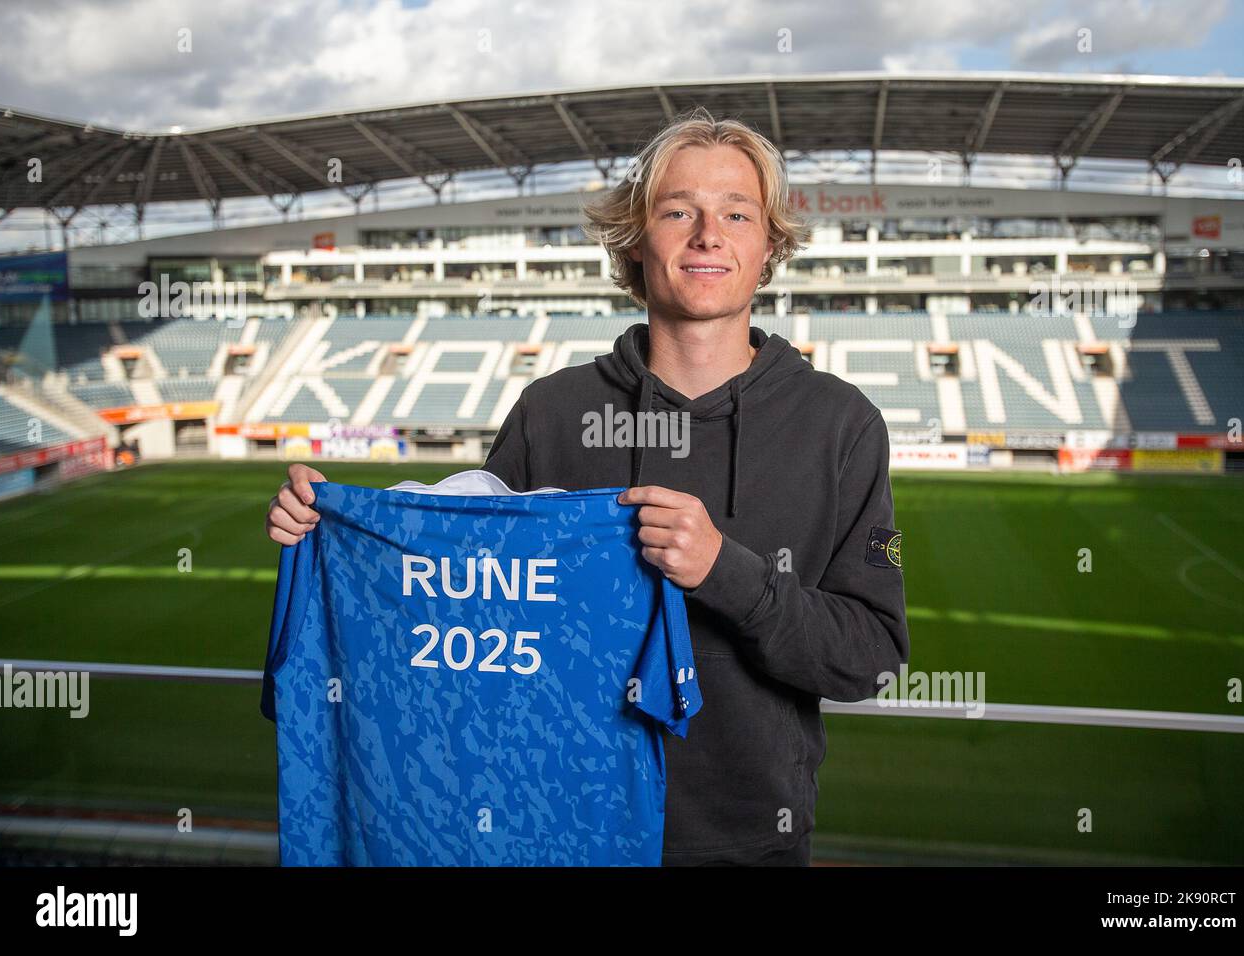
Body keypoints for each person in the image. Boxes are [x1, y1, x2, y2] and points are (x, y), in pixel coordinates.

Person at [265, 106, 910, 866]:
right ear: (635, 239)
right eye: (679, 211)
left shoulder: (842, 424)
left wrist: (727, 574)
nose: (709, 235)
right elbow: (455, 587)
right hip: (549, 830)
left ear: (768, 244)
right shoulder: (553, 412)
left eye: (737, 213)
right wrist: (332, 530)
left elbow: (872, 658)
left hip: (746, 847)